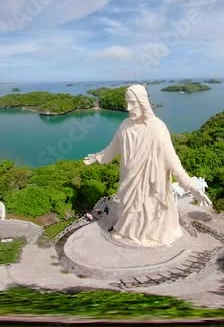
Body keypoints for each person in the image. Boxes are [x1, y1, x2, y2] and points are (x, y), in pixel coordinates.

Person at [84, 84, 212, 247]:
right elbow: (112, 148)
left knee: (148, 210)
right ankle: (129, 233)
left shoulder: (157, 128)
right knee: (129, 210)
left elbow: (173, 162)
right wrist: (97, 157)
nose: (129, 107)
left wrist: (192, 187)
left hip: (150, 184)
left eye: (133, 102)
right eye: (127, 102)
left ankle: (149, 235)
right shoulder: (125, 125)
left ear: (143, 102)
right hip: (129, 180)